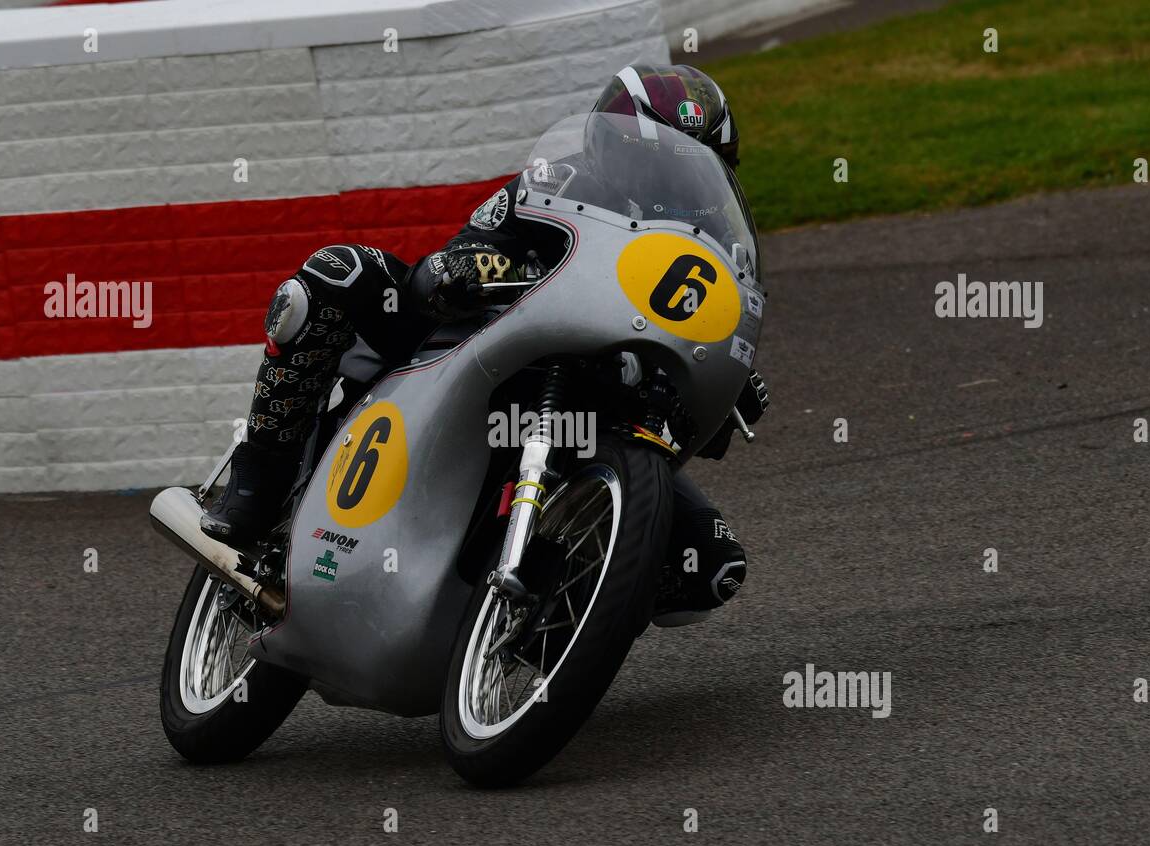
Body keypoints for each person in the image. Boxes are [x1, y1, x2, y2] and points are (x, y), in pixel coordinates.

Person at [202, 64, 767, 619]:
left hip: (593, 405)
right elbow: (464, 249)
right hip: (484, 343)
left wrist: (723, 382)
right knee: (337, 273)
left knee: (711, 568)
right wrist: (472, 265)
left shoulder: (722, 248)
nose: (675, 180)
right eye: (665, 158)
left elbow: (704, 372)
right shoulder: (559, 179)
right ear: (614, 140)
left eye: (701, 165)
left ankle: (550, 618)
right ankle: (262, 472)